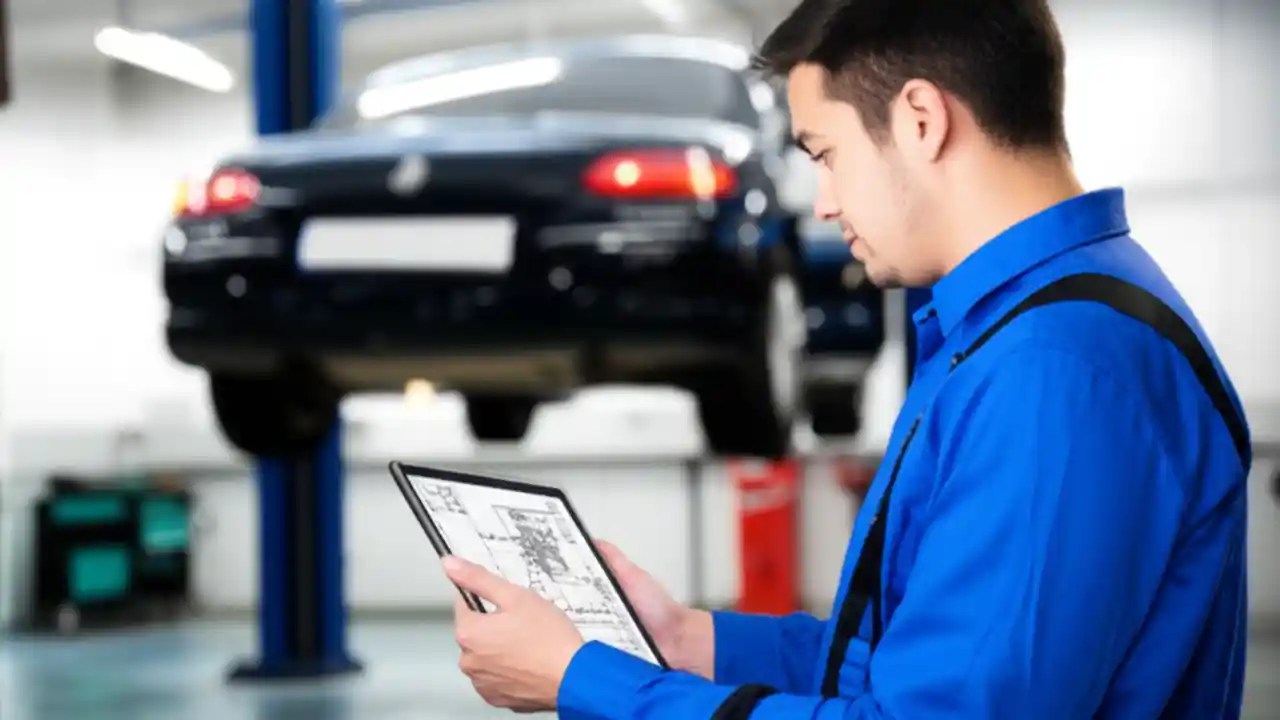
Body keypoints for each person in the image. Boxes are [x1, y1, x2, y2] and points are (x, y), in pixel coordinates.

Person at [440, 0, 1253, 717]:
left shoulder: (1056, 368)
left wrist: (587, 680)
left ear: (921, 120)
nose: (825, 201)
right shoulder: (1029, 330)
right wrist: (689, 640)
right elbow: (914, 659)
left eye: (825, 153)